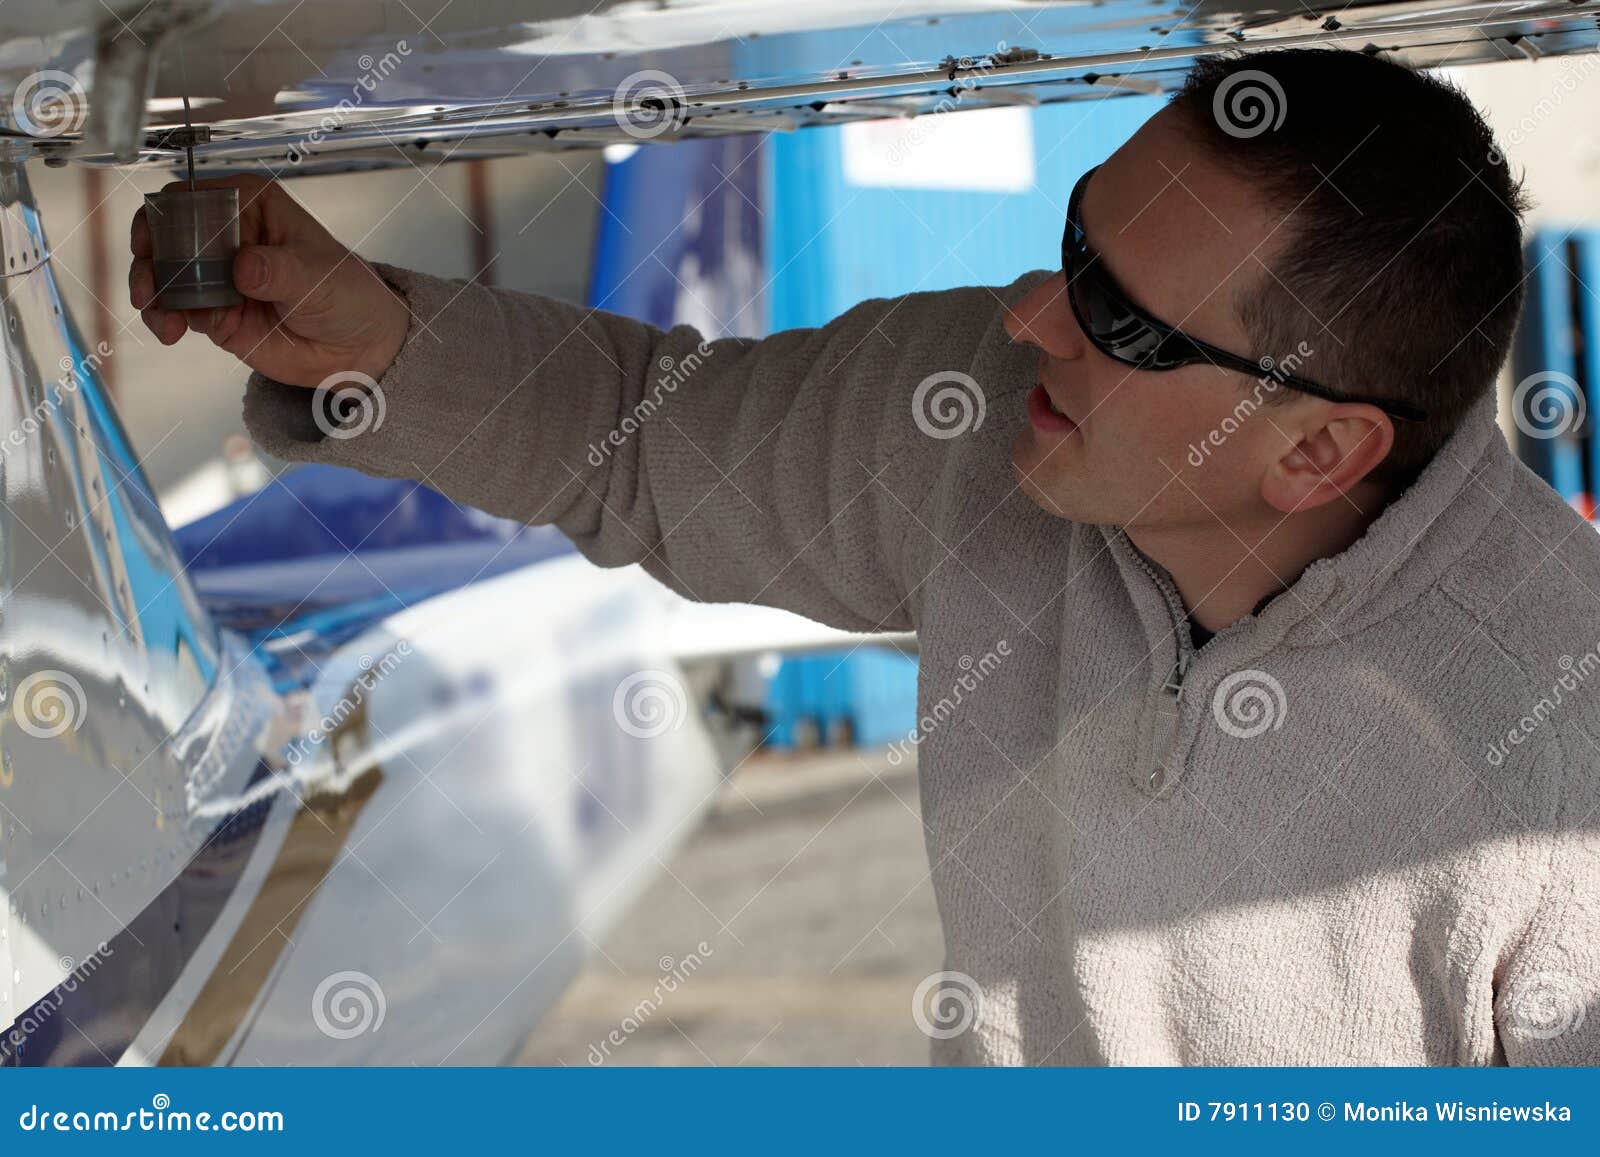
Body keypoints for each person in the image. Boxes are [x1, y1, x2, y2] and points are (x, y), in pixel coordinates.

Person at [129, 48, 1599, 1065]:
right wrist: (375, 340)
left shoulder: (1559, 747)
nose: (1034, 314)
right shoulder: (981, 428)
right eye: (1078, 245)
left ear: (1316, 454)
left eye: (1128, 325)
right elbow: (645, 445)